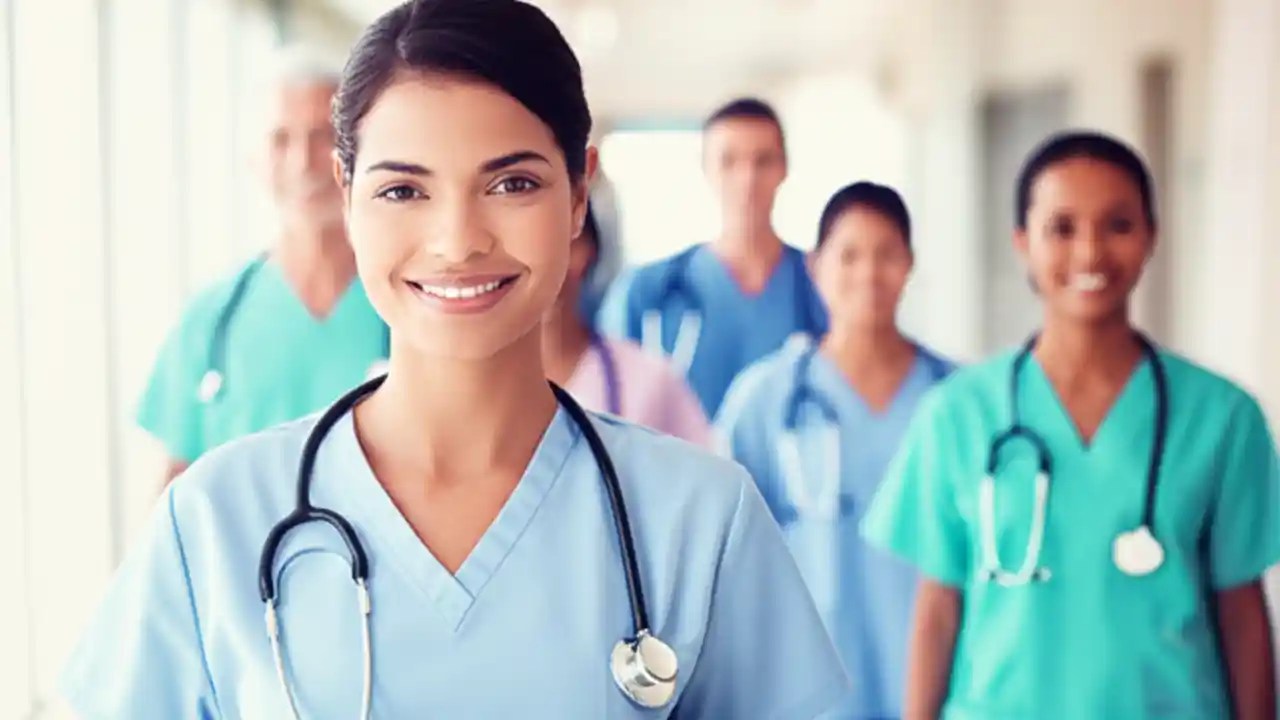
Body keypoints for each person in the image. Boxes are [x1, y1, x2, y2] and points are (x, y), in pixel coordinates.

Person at [59, 1, 850, 717]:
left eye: (511, 182)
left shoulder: (700, 521)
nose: (458, 239)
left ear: (580, 193)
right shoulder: (215, 523)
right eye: (405, 190)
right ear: (346, 193)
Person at [862, 131, 1279, 719]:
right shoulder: (958, 414)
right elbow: (938, 607)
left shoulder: (1222, 418)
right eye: (1061, 228)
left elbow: (1241, 610)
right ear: (1021, 242)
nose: (1090, 253)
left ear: (1152, 237)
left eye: (1118, 225)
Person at [716, 181, 955, 720]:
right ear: (816, 265)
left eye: (887, 254)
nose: (868, 274)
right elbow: (727, 563)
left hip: (935, 688)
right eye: (849, 255)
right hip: (808, 694)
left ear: (910, 264)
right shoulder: (767, 399)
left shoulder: (954, 400)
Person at [136, 47, 388, 483]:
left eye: (323, 136)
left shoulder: (407, 297)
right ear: (253, 159)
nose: (303, 161)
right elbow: (175, 489)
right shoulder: (211, 318)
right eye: (280, 139)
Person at [597, 97, 827, 417]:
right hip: (676, 467)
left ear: (784, 169)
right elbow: (608, 408)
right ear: (706, 169)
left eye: (763, 161)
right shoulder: (645, 293)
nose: (747, 179)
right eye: (729, 161)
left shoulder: (826, 287)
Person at [543, 197, 712, 445]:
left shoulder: (649, 382)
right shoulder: (474, 391)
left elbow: (706, 477)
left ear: (588, 251)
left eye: (563, 244)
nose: (546, 265)